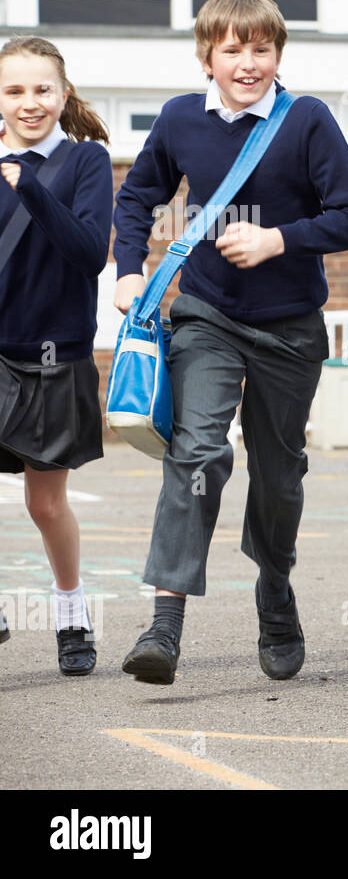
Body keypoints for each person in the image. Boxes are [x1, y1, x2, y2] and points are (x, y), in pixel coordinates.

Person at [112, 0, 348, 685]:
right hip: (208, 315)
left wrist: (279, 239)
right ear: (208, 57)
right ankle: (164, 624)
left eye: (261, 48)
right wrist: (127, 270)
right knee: (196, 452)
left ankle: (275, 591)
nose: (248, 62)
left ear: (278, 54)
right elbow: (137, 198)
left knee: (280, 474)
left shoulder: (308, 122)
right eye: (233, 49)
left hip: (290, 328)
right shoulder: (177, 121)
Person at [0, 36, 113, 676]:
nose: (30, 102)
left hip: (53, 356)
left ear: (63, 95)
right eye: (15, 90)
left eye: (43, 89)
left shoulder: (86, 163)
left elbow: (89, 253)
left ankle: (70, 611)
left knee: (44, 504)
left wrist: (31, 188)